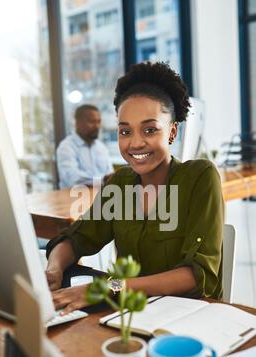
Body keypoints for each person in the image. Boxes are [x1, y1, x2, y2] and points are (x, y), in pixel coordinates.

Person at [46, 62, 224, 314]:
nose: (136, 143)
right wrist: (54, 268)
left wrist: (109, 287)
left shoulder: (200, 177)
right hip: (127, 316)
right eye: (125, 131)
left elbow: (195, 276)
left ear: (172, 132)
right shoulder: (120, 183)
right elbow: (77, 239)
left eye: (150, 130)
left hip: (187, 316)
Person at [56, 104, 113, 188]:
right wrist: (102, 180)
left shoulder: (101, 147)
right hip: (73, 198)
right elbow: (72, 179)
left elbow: (110, 175)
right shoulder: (66, 147)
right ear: (77, 123)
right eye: (91, 121)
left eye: (98, 121)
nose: (97, 126)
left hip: (102, 197)